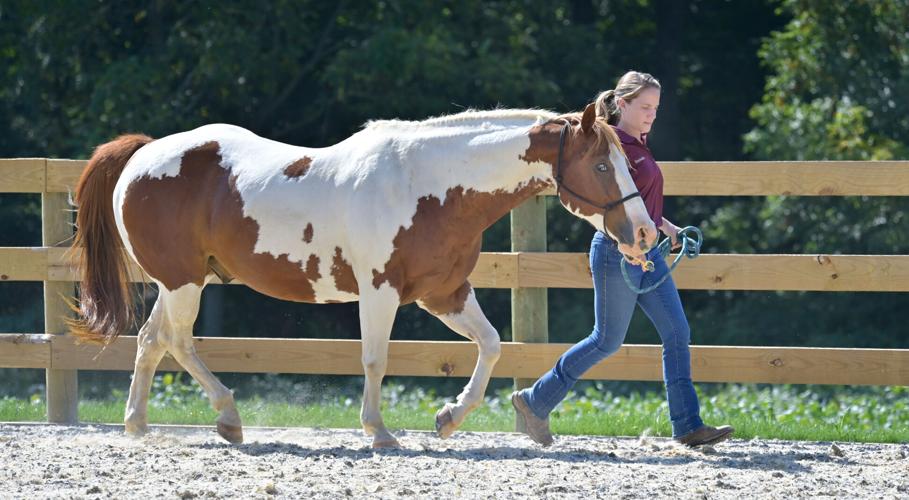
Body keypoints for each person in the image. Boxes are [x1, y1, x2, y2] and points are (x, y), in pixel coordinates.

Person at [511, 71, 733, 447]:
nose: (652, 114)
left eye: (656, 108)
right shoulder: (613, 148)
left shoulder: (638, 144)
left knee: (677, 333)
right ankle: (535, 400)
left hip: (648, 252)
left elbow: (638, 208)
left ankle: (688, 425)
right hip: (617, 253)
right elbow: (608, 204)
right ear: (623, 104)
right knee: (606, 341)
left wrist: (669, 228)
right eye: (645, 107)